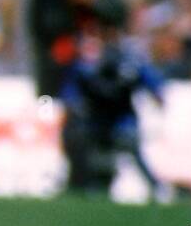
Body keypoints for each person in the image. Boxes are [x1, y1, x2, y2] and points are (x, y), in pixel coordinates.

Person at [59, 21, 165, 196]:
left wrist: (157, 95)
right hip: (98, 122)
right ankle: (96, 187)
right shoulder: (82, 66)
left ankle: (155, 187)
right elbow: (71, 94)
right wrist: (77, 108)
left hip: (122, 120)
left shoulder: (128, 62)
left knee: (129, 144)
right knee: (96, 157)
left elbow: (150, 81)